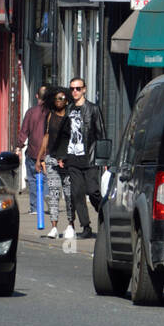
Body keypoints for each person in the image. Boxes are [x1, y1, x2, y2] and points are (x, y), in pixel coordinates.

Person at [64, 77, 106, 239]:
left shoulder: (93, 109)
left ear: (84, 90)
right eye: (72, 89)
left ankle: (104, 213)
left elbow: (101, 133)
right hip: (73, 158)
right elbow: (63, 134)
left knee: (93, 191)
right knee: (77, 193)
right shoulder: (68, 109)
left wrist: (104, 159)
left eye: (78, 88)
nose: (74, 91)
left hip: (90, 158)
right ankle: (86, 227)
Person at [35, 87, 75, 239]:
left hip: (66, 160)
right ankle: (54, 227)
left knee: (69, 193)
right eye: (57, 98)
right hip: (51, 158)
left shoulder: (71, 117)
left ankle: (71, 224)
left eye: (62, 98)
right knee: (53, 194)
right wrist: (40, 158)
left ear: (67, 101)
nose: (59, 101)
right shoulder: (50, 116)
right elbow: (46, 137)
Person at [16, 85, 49, 213]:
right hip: (47, 153)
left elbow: (24, 132)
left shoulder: (31, 112)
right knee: (46, 179)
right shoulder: (52, 112)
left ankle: (35, 207)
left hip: (33, 151)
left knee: (33, 179)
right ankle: (47, 199)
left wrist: (19, 147)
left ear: (37, 96)